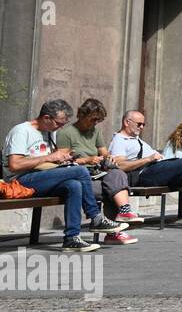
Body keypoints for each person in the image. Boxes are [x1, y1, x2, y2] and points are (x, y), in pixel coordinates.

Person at [4, 99, 128, 251]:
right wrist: (49, 157)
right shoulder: (22, 131)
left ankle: (71, 238)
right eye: (59, 123)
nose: (61, 127)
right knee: (80, 171)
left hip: (43, 177)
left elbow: (47, 161)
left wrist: (62, 160)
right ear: (46, 118)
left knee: (74, 185)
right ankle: (95, 217)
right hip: (20, 181)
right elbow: (15, 165)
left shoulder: (49, 133)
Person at [55, 98, 140, 245]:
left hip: (98, 172)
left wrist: (108, 159)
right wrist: (87, 160)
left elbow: (104, 153)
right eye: (93, 119)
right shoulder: (67, 133)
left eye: (98, 121)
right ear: (82, 115)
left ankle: (124, 211)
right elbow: (61, 161)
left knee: (118, 174)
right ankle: (113, 232)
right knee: (110, 190)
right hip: (80, 176)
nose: (95, 123)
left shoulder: (95, 132)